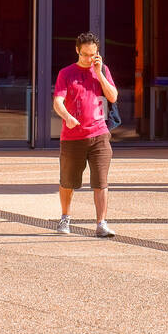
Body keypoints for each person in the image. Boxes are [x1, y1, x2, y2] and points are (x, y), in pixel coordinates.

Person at [53, 32, 118, 237]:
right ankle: (65, 217)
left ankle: (101, 223)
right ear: (77, 51)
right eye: (85, 55)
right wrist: (67, 117)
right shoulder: (66, 73)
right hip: (73, 137)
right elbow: (58, 101)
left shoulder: (102, 70)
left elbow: (113, 97)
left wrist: (99, 73)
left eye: (93, 55)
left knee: (101, 182)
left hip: (99, 135)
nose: (89, 59)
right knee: (68, 182)